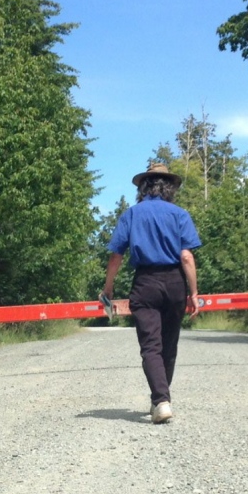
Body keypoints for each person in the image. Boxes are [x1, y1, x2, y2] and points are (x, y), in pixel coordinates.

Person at [102, 162, 202, 424]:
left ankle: (160, 400)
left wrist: (108, 287)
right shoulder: (179, 214)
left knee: (150, 345)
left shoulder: (132, 215)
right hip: (175, 282)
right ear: (168, 187)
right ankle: (161, 398)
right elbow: (186, 256)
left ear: (143, 187)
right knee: (168, 346)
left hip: (145, 282)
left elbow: (116, 256)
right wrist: (193, 292)